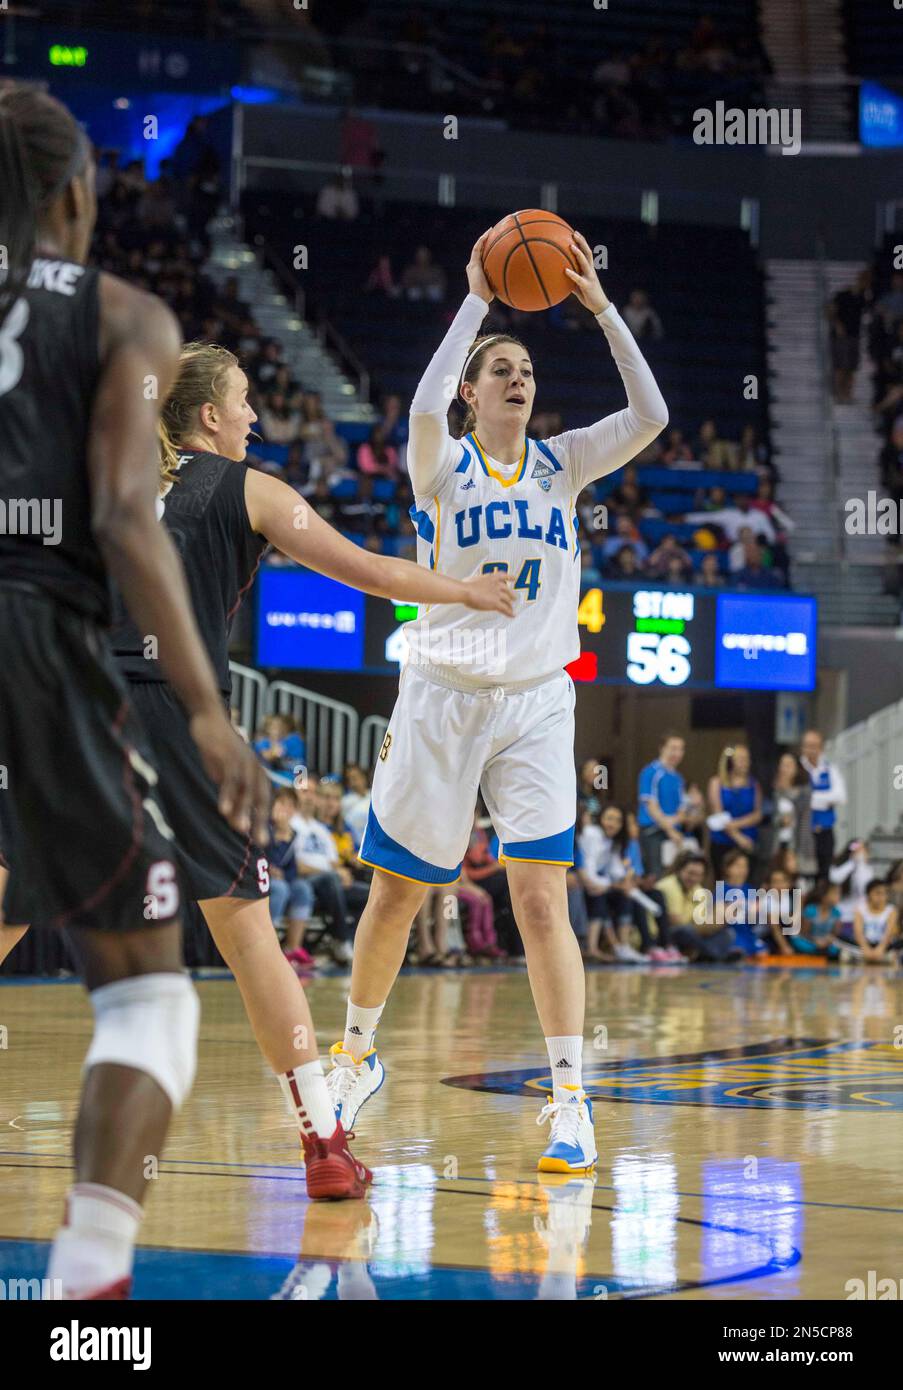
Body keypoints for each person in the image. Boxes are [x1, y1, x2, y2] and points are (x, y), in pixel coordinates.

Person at [1, 338, 513, 1197]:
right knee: (248, 937)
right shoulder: (249, 490)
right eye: (243, 401)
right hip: (173, 712)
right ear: (207, 415)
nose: (254, 416)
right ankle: (323, 1146)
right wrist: (466, 591)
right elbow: (371, 573)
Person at [0, 86, 267, 1300]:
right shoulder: (123, 315)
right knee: (149, 992)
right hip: (36, 640)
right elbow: (119, 512)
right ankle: (84, 1294)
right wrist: (208, 710)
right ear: (75, 197)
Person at [327, 226, 667, 1173]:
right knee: (396, 893)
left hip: (533, 701)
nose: (517, 379)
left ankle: (568, 1097)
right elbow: (426, 402)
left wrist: (596, 305)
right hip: (440, 691)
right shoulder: (440, 465)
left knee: (538, 899)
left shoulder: (564, 464)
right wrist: (478, 298)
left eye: (524, 369)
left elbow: (649, 411)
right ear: (473, 393)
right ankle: (355, 1058)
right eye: (499, 371)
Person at [266, 787, 315, 971]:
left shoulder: (293, 834)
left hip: (281, 880)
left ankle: (293, 947)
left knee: (301, 887)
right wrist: (276, 839)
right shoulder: (264, 828)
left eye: (290, 805)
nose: (285, 809)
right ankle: (266, 947)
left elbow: (292, 870)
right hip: (260, 879)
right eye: (281, 803)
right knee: (280, 888)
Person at [637, 731, 690, 877]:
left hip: (673, 835)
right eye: (673, 748)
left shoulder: (678, 778)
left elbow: (682, 809)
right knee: (656, 876)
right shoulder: (651, 772)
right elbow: (650, 805)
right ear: (662, 748)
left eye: (681, 749)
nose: (677, 753)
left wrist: (675, 825)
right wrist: (670, 829)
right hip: (654, 832)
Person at [707, 744, 762, 880]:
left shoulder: (753, 784)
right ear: (732, 761)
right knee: (722, 882)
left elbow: (757, 813)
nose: (745, 763)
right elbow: (717, 812)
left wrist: (736, 824)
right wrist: (737, 836)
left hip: (748, 840)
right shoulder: (717, 782)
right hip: (723, 841)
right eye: (741, 759)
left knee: (747, 882)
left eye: (747, 759)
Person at [799, 729, 847, 877]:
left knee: (824, 872)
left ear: (821, 748)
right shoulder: (798, 769)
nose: (812, 750)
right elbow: (799, 799)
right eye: (808, 746)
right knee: (804, 874)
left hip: (825, 830)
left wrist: (813, 799)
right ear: (802, 747)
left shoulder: (830, 768)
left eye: (815, 746)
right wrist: (825, 800)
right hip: (803, 832)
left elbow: (841, 796)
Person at [839, 879, 900, 965]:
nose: (881, 897)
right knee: (839, 938)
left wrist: (880, 949)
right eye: (877, 893)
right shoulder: (860, 909)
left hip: (884, 945)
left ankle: (859, 957)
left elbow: (889, 933)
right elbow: (858, 933)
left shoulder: (891, 910)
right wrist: (866, 949)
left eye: (884, 893)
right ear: (869, 894)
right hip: (864, 944)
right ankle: (881, 958)